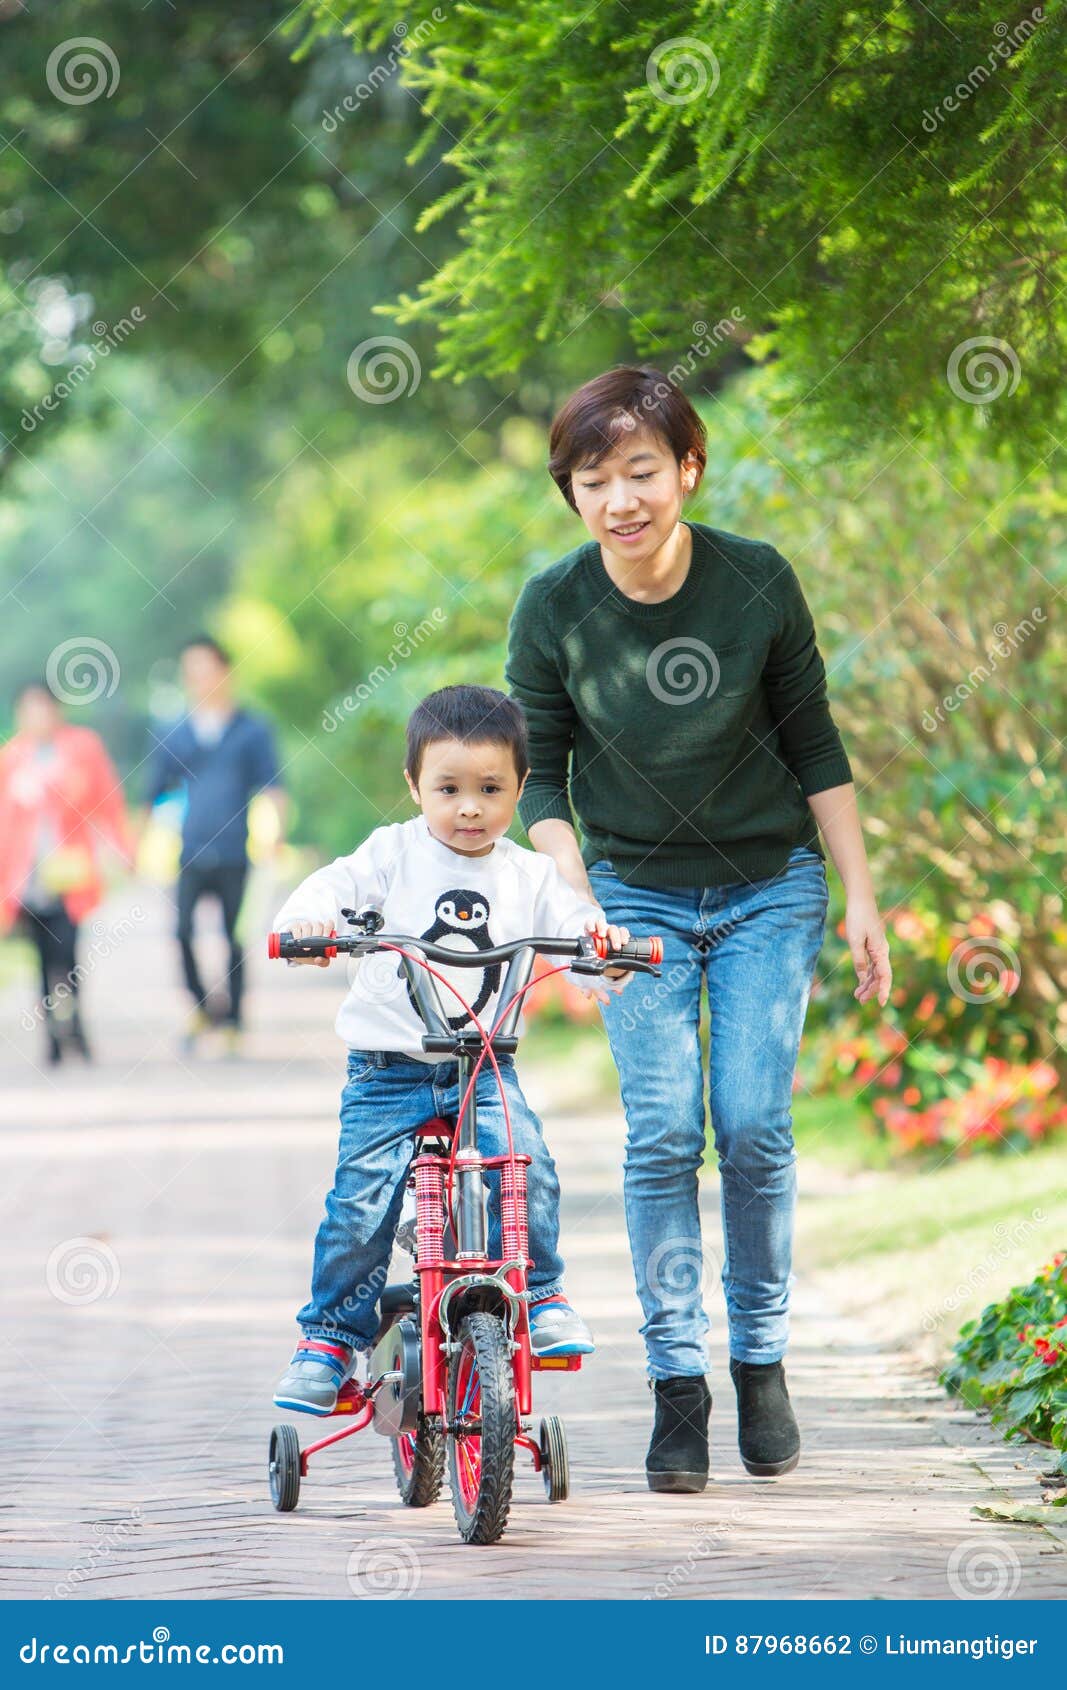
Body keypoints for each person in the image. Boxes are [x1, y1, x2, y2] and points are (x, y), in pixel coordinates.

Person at [504, 365, 893, 1493]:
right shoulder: (553, 606)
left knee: (754, 1124)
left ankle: (759, 1358)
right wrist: (575, 901)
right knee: (665, 1132)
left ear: (685, 469)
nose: (619, 499)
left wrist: (857, 890)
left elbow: (814, 745)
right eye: (593, 479)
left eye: (639, 472)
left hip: (769, 883)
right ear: (570, 493)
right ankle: (678, 1384)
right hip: (629, 896)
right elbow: (541, 782)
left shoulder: (754, 581)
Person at [270, 684, 631, 1415]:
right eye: (449, 789)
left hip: (486, 1066)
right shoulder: (391, 853)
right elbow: (330, 886)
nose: (469, 807)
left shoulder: (528, 875)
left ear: (519, 789)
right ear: (414, 786)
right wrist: (310, 922)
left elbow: (576, 919)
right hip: (388, 1072)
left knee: (525, 1168)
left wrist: (603, 945)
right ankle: (330, 1340)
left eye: (490, 789)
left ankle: (541, 1292)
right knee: (359, 1207)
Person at [146, 635, 286, 1055]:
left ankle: (235, 1023)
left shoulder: (252, 729)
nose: (199, 679)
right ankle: (205, 1007)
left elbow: (274, 786)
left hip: (234, 850)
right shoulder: (174, 731)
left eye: (207, 670)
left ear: (225, 673)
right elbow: (151, 791)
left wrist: (276, 834)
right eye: (191, 672)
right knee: (182, 932)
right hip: (190, 850)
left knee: (234, 937)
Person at [0, 679, 134, 1065]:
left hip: (69, 874)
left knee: (68, 954)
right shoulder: (13, 758)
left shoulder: (81, 748)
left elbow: (108, 800)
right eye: (28, 710)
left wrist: (123, 848)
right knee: (41, 960)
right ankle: (52, 1037)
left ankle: (76, 1026)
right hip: (28, 880)